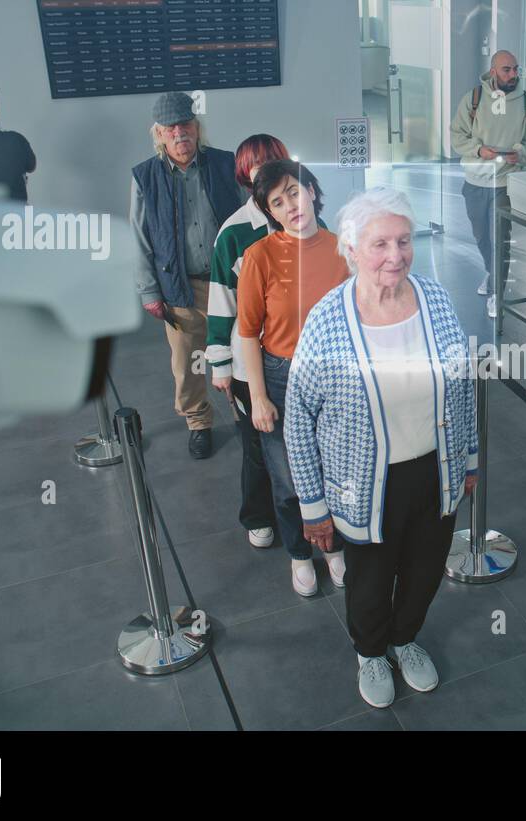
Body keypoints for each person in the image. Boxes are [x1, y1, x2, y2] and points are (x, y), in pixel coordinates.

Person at [284, 188, 478, 709]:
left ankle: (405, 638)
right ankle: (371, 652)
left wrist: (470, 459)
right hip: (363, 482)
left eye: (404, 240)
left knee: (424, 570)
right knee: (369, 581)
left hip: (435, 469)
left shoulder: (434, 297)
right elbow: (298, 417)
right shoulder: (327, 319)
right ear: (351, 250)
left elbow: (462, 385)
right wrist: (312, 504)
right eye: (380, 244)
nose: (396, 255)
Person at [236, 160, 349, 597]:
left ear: (312, 191)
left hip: (334, 374)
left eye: (294, 193)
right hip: (281, 376)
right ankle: (300, 553)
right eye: (277, 202)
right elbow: (248, 332)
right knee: (288, 478)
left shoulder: (342, 249)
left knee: (335, 469)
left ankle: (334, 549)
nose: (290, 206)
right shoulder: (260, 256)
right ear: (270, 212)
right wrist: (258, 397)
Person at [130, 91, 246, 459]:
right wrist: (149, 291)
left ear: (196, 127)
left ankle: (243, 413)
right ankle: (198, 423)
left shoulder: (225, 164)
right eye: (170, 128)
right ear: (159, 134)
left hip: (229, 282)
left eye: (185, 125)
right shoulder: (145, 176)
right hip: (181, 287)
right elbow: (139, 238)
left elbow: (249, 218)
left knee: (240, 352)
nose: (179, 133)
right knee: (188, 363)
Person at [206, 135, 292, 550]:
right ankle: (258, 515)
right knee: (258, 443)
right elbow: (221, 301)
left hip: (298, 358)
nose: (266, 169)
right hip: (249, 362)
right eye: (257, 164)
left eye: (274, 160)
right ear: (244, 174)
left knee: (303, 442)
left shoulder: (306, 220)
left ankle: (312, 514)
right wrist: (220, 364)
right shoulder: (234, 232)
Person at [449, 49, 526, 310]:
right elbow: (457, 135)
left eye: (516, 69)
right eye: (507, 69)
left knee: (499, 240)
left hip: (505, 184)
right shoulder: (473, 99)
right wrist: (479, 150)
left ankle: (496, 293)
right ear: (493, 72)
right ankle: (493, 273)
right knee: (481, 237)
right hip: (475, 182)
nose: (513, 74)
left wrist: (520, 154)